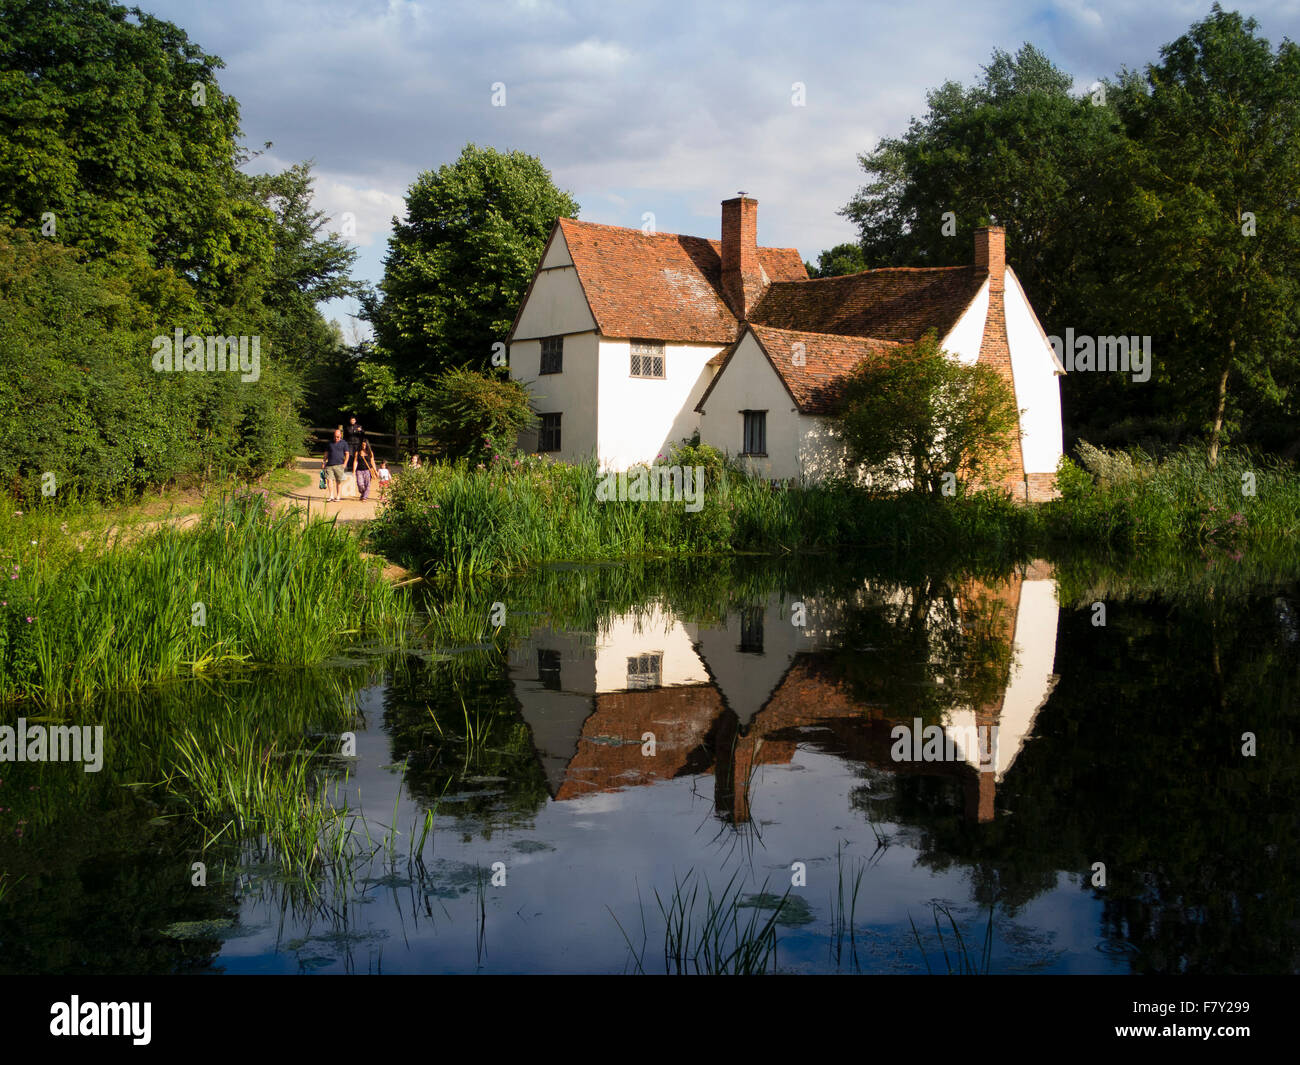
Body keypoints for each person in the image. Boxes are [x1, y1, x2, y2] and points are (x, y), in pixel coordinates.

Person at [322, 428, 351, 502]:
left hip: (339, 465)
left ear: (340, 435)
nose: (336, 438)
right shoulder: (329, 443)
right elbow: (326, 453)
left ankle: (338, 496)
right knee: (329, 480)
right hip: (329, 464)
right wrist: (323, 462)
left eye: (338, 437)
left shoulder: (344, 443)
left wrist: (345, 463)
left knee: (338, 481)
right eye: (335, 436)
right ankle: (331, 495)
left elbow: (347, 454)